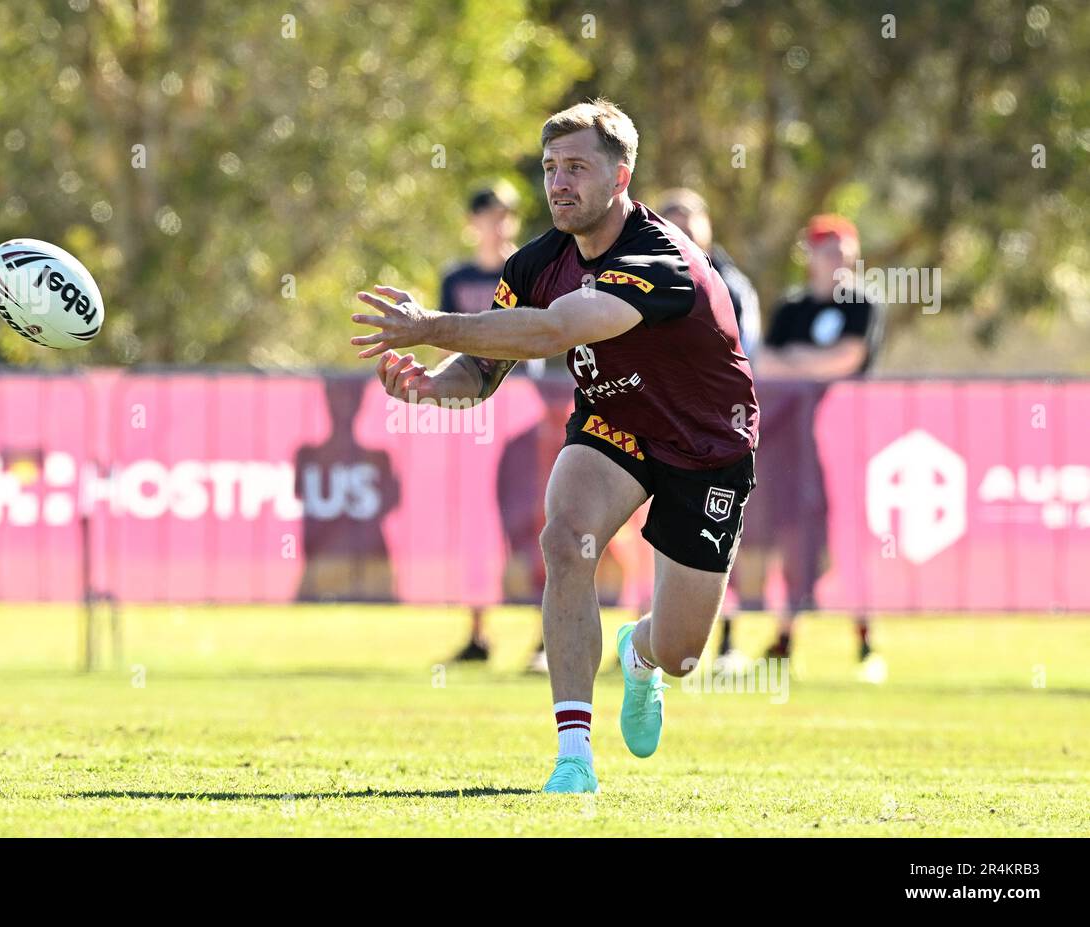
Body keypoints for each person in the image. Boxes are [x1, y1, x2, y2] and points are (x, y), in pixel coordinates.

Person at [351, 99, 758, 793]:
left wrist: (429, 324)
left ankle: (639, 653)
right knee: (566, 537)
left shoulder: (660, 259)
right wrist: (428, 388)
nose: (558, 182)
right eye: (549, 168)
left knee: (684, 652)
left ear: (621, 175)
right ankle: (574, 756)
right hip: (615, 423)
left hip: (705, 441)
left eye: (576, 166)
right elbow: (482, 373)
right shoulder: (538, 261)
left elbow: (548, 333)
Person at [728, 214, 887, 679]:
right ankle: (783, 638)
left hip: (845, 443)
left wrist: (800, 362)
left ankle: (865, 642)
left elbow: (847, 359)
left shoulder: (863, 304)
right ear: (810, 256)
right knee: (792, 536)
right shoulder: (792, 308)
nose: (836, 259)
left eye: (843, 249)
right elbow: (768, 364)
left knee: (849, 539)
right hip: (791, 446)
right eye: (826, 249)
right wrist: (809, 364)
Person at [437, 185, 549, 672]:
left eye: (505, 216)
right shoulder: (457, 278)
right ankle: (478, 633)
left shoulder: (525, 270)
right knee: (479, 527)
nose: (499, 225)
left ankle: (545, 638)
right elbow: (444, 338)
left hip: (522, 418)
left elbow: (542, 342)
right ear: (472, 221)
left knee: (534, 523)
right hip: (474, 417)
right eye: (489, 215)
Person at [654, 188, 761, 358]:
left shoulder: (733, 287)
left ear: (707, 227)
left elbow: (745, 350)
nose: (682, 242)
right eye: (673, 234)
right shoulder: (645, 283)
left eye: (688, 233)